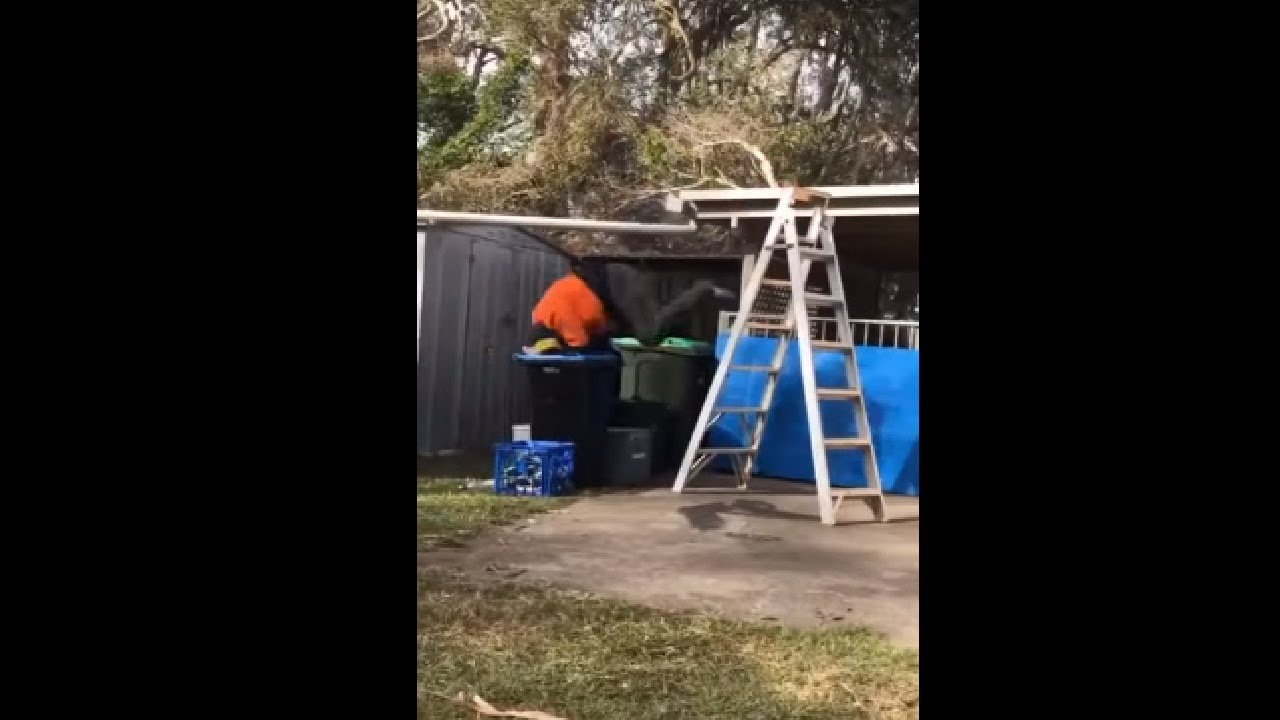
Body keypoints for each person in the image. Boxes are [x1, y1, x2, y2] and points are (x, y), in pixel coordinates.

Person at [524, 259, 734, 355]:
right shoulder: (541, 315)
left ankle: (703, 289)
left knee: (649, 334)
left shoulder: (559, 318)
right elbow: (595, 328)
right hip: (609, 294)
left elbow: (580, 346)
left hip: (620, 284)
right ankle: (678, 324)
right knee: (632, 332)